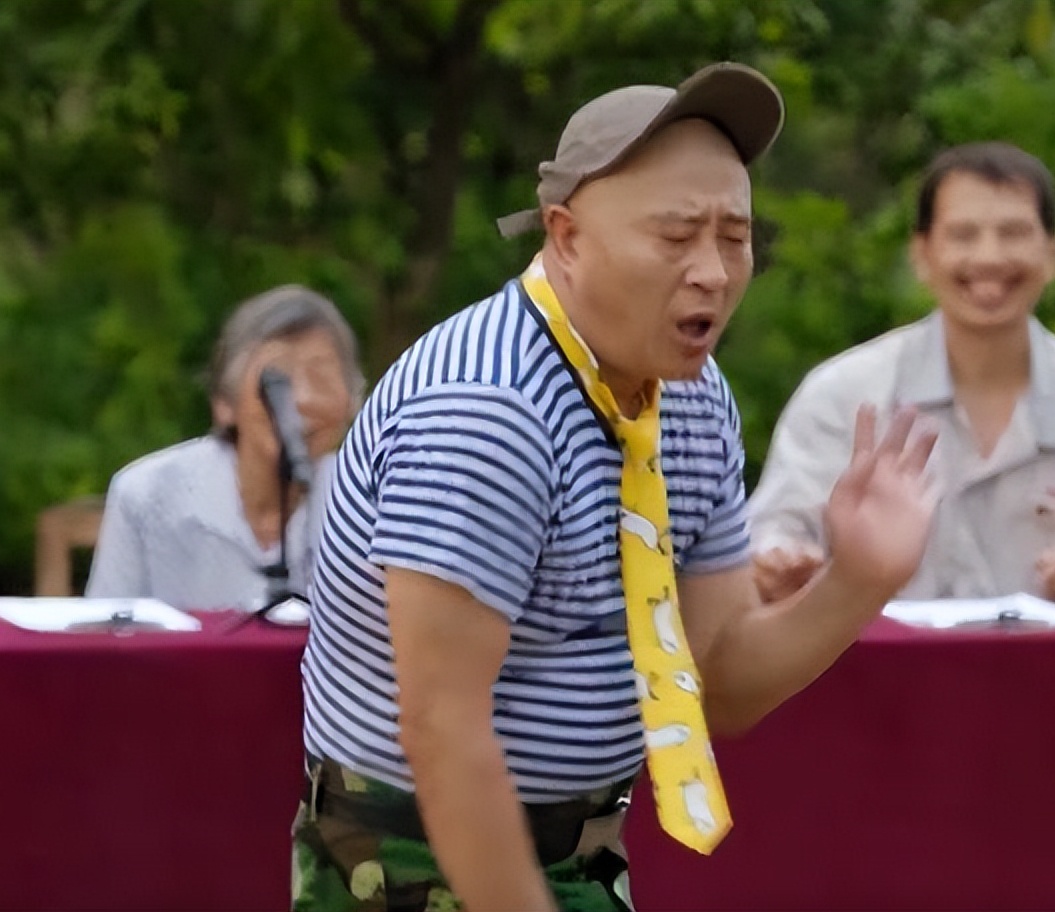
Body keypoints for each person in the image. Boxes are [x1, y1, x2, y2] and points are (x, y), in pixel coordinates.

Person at [292, 62, 937, 912]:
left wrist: (860, 580)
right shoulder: (490, 410)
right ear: (565, 236)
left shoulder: (693, 399)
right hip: (406, 855)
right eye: (676, 237)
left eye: (734, 236)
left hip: (582, 848)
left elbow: (718, 683)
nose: (712, 270)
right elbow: (443, 735)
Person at [749, 141, 1055, 607]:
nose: (989, 257)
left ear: (1052, 253)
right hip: (880, 676)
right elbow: (768, 541)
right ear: (921, 254)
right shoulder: (843, 394)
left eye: (1014, 232)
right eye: (963, 234)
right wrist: (783, 566)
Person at [86, 284, 364, 612]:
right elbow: (103, 641)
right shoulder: (147, 496)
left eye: (322, 378)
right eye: (278, 379)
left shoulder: (370, 502)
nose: (301, 399)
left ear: (352, 403)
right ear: (225, 403)